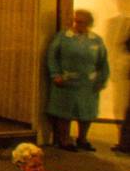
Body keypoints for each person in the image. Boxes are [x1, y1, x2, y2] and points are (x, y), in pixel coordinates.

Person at [45, 9, 109, 151]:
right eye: (75, 21)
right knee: (64, 112)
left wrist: (102, 80)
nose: (77, 24)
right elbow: (52, 56)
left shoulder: (96, 40)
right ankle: (65, 140)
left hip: (88, 83)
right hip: (66, 81)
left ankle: (83, 139)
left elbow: (103, 62)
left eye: (81, 22)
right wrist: (55, 74)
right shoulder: (62, 37)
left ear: (89, 23)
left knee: (87, 112)